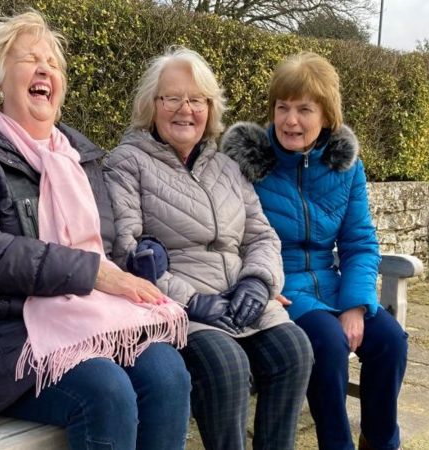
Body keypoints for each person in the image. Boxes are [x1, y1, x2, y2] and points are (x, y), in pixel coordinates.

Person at [0, 10, 190, 450]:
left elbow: (104, 249)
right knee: (105, 390)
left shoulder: (79, 157)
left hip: (84, 322)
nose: (46, 68)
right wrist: (93, 272)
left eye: (54, 63)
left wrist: (136, 263)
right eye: (29, 59)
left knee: (166, 372)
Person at [103, 46, 314, 450]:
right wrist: (191, 301)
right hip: (181, 310)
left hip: (242, 298)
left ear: (210, 108)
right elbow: (126, 254)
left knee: (295, 349)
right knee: (226, 364)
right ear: (152, 105)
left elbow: (262, 236)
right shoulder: (126, 163)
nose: (186, 109)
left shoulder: (228, 166)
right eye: (173, 98)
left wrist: (257, 281)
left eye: (197, 99)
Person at [221, 51, 408, 450]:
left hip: (333, 283)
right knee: (327, 341)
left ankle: (379, 440)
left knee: (391, 340)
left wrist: (357, 304)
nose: (290, 120)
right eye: (282, 107)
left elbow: (359, 241)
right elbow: (230, 237)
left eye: (304, 109)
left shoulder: (345, 167)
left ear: (326, 114)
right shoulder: (249, 164)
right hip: (281, 286)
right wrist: (259, 282)